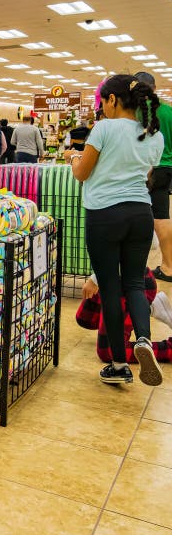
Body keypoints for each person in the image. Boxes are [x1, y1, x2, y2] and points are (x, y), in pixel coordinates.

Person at [64, 73, 164, 386]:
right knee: (134, 282)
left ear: (112, 100)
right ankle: (144, 340)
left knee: (110, 287)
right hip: (140, 213)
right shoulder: (155, 135)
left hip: (104, 215)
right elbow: (144, 174)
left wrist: (73, 158)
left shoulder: (104, 128)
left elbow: (82, 173)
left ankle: (119, 363)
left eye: (102, 102)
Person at [77, 269, 172, 364]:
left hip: (132, 285)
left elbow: (121, 255)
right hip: (113, 279)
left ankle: (169, 349)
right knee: (86, 319)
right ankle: (147, 308)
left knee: (108, 352)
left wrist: (95, 279)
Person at [134, 72, 172, 283]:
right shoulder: (168, 110)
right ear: (154, 87)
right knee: (159, 216)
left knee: (157, 218)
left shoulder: (139, 111)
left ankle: (168, 266)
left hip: (150, 168)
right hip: (166, 168)